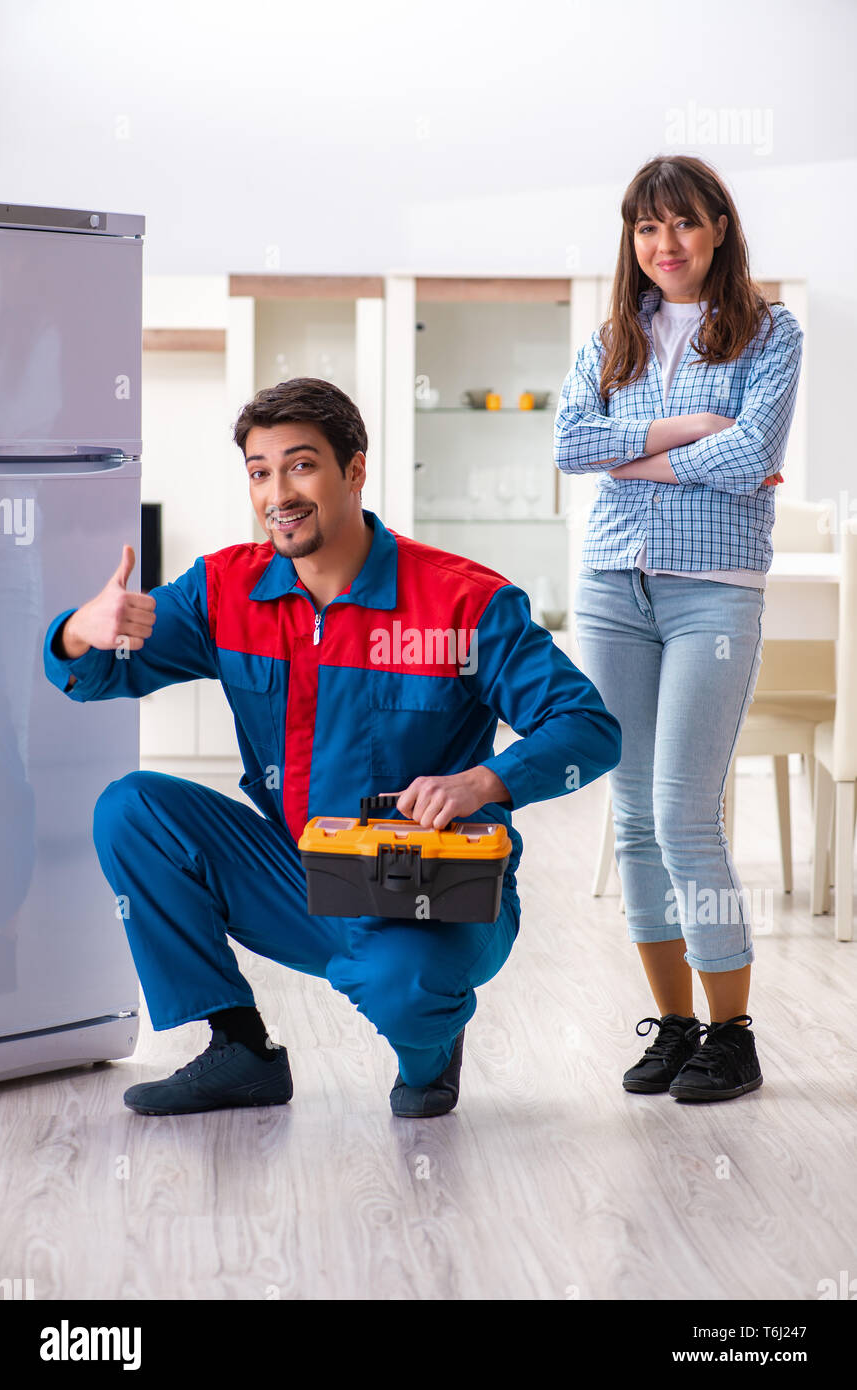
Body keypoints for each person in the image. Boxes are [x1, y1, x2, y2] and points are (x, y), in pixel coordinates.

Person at [43, 377, 621, 1119]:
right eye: (260, 471)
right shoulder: (225, 589)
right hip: (299, 876)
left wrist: (483, 781)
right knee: (133, 808)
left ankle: (429, 1045)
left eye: (301, 464)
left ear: (354, 470)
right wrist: (76, 632)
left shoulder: (462, 601)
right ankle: (239, 1049)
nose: (277, 491)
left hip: (429, 891)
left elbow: (588, 728)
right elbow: (95, 678)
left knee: (402, 989)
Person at [555, 154, 803, 1102]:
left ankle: (733, 1034)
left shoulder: (769, 332)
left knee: (682, 817)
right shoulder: (612, 336)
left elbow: (754, 456)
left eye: (684, 225)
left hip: (715, 592)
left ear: (719, 232)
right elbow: (570, 443)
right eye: (646, 229)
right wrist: (684, 429)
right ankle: (675, 1026)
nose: (665, 246)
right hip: (613, 585)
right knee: (629, 821)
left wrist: (644, 457)